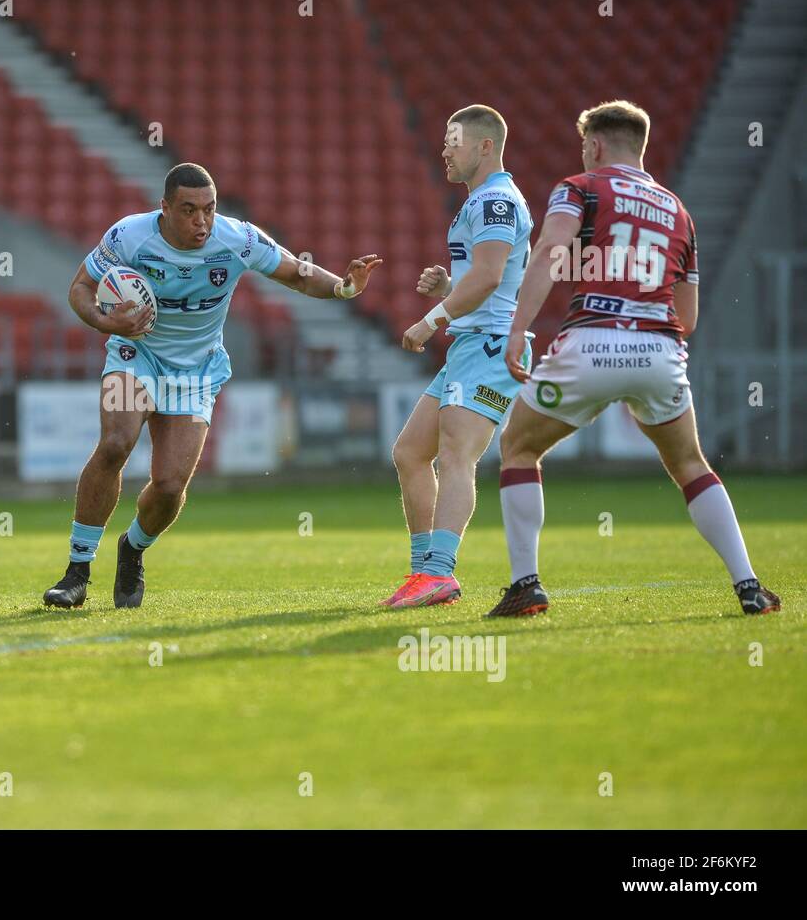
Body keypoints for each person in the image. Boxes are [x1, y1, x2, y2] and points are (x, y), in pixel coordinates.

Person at [41, 162, 381, 609]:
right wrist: (108, 321)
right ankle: (77, 571)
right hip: (135, 354)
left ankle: (133, 550)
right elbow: (80, 288)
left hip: (196, 372)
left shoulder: (236, 238)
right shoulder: (130, 235)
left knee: (169, 487)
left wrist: (344, 289)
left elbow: (297, 272)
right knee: (116, 443)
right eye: (188, 210)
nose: (201, 221)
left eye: (209, 209)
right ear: (164, 208)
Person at [489, 100, 779, 618]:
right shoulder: (678, 211)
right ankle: (749, 584)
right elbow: (686, 316)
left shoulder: (579, 187)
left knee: (517, 446)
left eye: (585, 147)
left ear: (596, 145)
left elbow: (552, 249)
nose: (584, 154)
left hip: (591, 342)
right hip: (659, 349)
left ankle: (525, 585)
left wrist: (518, 330)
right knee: (690, 464)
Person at [385, 105, 533, 608]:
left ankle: (440, 573)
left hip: (490, 345)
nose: (445, 149)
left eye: (455, 141)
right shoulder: (480, 202)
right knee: (409, 452)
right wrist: (452, 288)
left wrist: (433, 319)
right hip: (473, 342)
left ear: (485, 147)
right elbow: (489, 277)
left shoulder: (495, 201)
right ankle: (424, 570)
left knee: (455, 455)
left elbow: (491, 275)